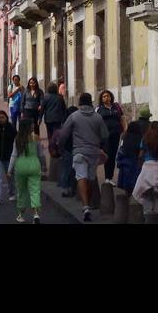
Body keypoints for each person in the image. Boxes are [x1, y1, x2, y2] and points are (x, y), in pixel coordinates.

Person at [53, 92, 109, 223]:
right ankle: (87, 204)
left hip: (78, 151)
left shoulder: (74, 116)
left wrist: (61, 148)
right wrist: (102, 148)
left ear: (80, 103)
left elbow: (63, 134)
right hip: (93, 152)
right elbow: (105, 135)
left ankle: (85, 207)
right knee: (90, 179)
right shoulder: (98, 117)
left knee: (80, 177)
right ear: (91, 102)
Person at [7, 118, 46, 223]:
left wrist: (9, 169)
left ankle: (20, 214)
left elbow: (14, 155)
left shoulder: (18, 139)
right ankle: (36, 214)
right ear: (29, 127)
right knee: (35, 190)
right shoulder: (36, 138)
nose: (33, 126)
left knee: (21, 191)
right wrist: (44, 167)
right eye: (32, 125)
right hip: (34, 165)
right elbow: (41, 155)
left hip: (21, 165)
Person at [132, 120, 158, 223]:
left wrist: (140, 168)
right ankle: (157, 218)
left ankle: (148, 218)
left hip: (146, 171)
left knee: (147, 198)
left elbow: (140, 156)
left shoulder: (145, 139)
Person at [96, 90, 124, 184]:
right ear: (101, 99)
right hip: (105, 136)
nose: (106, 98)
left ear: (111, 97)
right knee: (107, 155)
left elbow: (122, 119)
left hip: (116, 134)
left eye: (107, 96)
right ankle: (107, 178)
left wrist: (125, 130)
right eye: (104, 96)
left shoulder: (116, 107)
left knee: (113, 155)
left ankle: (110, 177)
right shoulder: (99, 109)